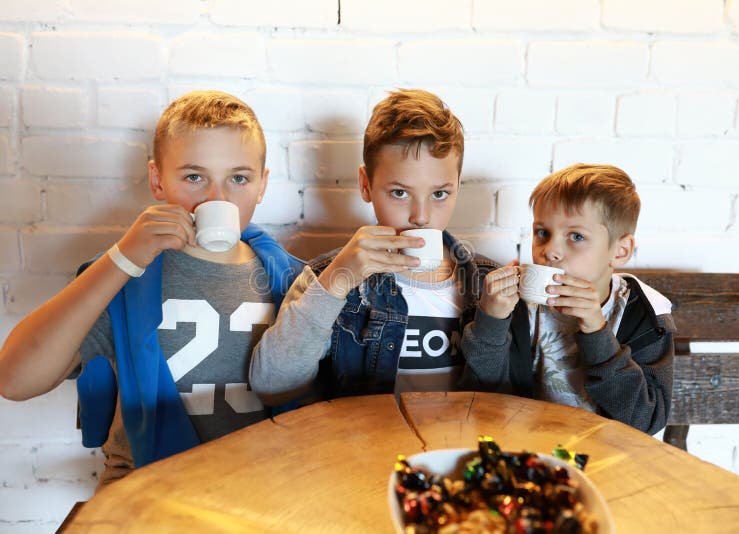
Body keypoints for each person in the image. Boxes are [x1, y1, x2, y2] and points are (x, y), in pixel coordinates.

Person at [0, 90, 303, 485]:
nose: (217, 198)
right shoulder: (126, 279)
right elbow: (14, 379)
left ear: (262, 185)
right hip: (146, 491)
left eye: (239, 178)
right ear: (157, 181)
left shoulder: (295, 283)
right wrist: (122, 259)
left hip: (260, 489)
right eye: (194, 177)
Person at [250, 88, 502, 403]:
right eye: (400, 192)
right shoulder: (329, 277)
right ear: (366, 184)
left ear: (457, 188)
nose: (421, 216)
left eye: (439, 194)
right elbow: (272, 386)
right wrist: (335, 281)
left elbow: (508, 402)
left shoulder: (486, 283)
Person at [461, 163, 675, 435]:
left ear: (620, 251)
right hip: (524, 446)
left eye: (576, 236)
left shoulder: (644, 314)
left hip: (610, 454)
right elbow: (482, 399)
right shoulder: (516, 305)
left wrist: (597, 333)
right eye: (542, 232)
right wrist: (491, 320)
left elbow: (645, 420)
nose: (550, 251)